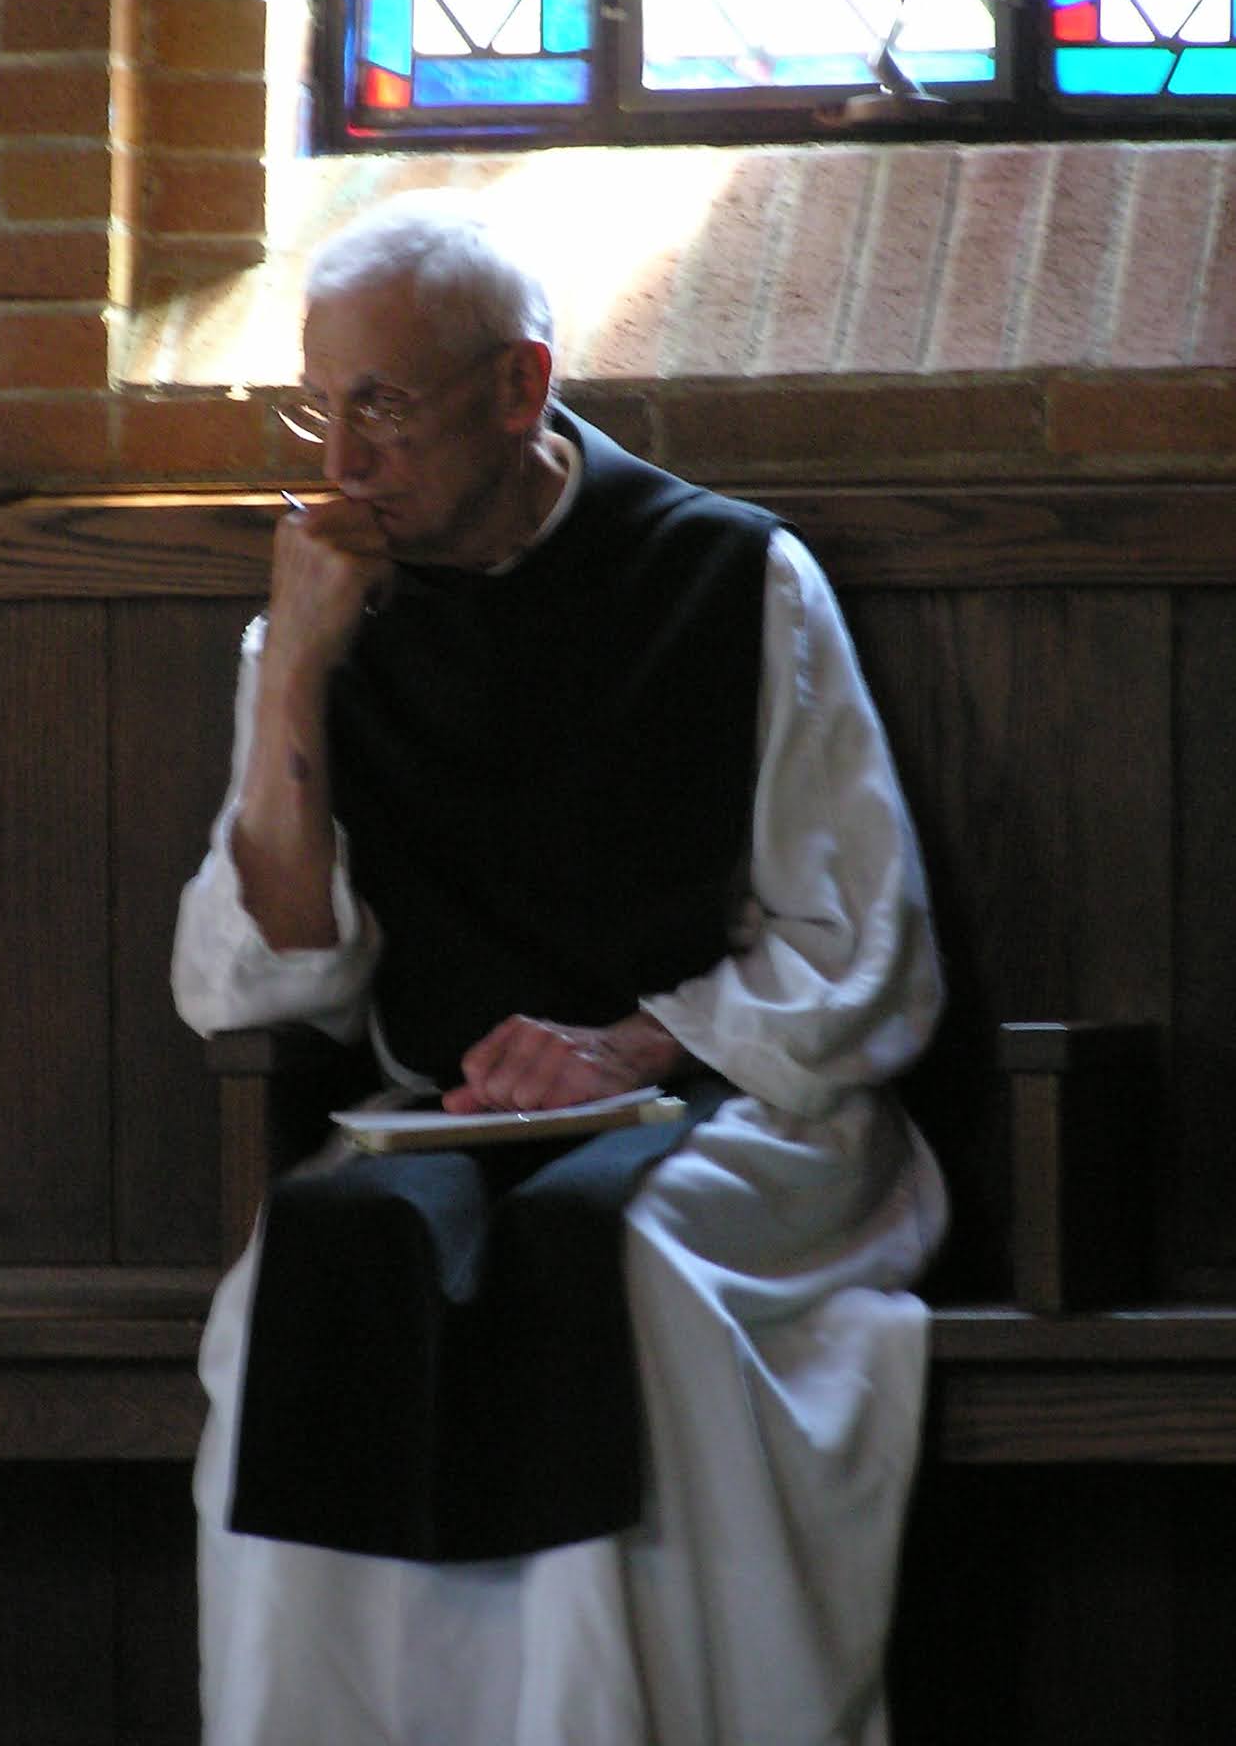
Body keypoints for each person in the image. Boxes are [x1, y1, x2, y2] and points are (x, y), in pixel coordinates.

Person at [172, 189, 948, 1746]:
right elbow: (257, 982)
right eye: (319, 407)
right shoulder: (326, 610)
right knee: (308, 1276)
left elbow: (861, 946)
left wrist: (640, 1044)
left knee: (622, 1285)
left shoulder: (731, 579)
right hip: (439, 1122)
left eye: (383, 406)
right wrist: (295, 676)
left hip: (731, 1115)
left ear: (522, 387)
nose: (342, 461)